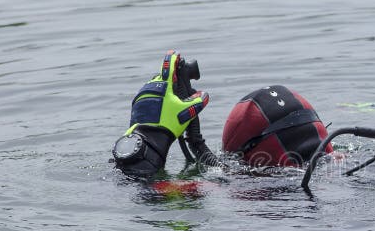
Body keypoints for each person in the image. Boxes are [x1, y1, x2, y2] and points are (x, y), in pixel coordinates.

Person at [112, 51, 331, 178]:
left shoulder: (247, 189)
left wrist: (149, 139)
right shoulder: (344, 167)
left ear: (247, 159)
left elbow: (137, 188)